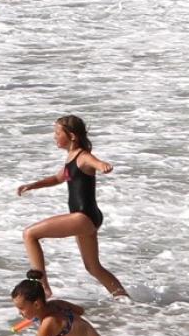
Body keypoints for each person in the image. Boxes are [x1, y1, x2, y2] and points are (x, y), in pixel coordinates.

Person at [16, 115, 126, 298]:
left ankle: (43, 287)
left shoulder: (83, 157)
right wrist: (33, 185)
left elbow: (95, 162)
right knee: (93, 267)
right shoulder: (71, 158)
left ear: (72, 136)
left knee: (29, 234)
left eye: (57, 133)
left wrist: (103, 166)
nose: (54, 136)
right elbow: (58, 178)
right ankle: (123, 298)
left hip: (83, 217)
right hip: (89, 217)